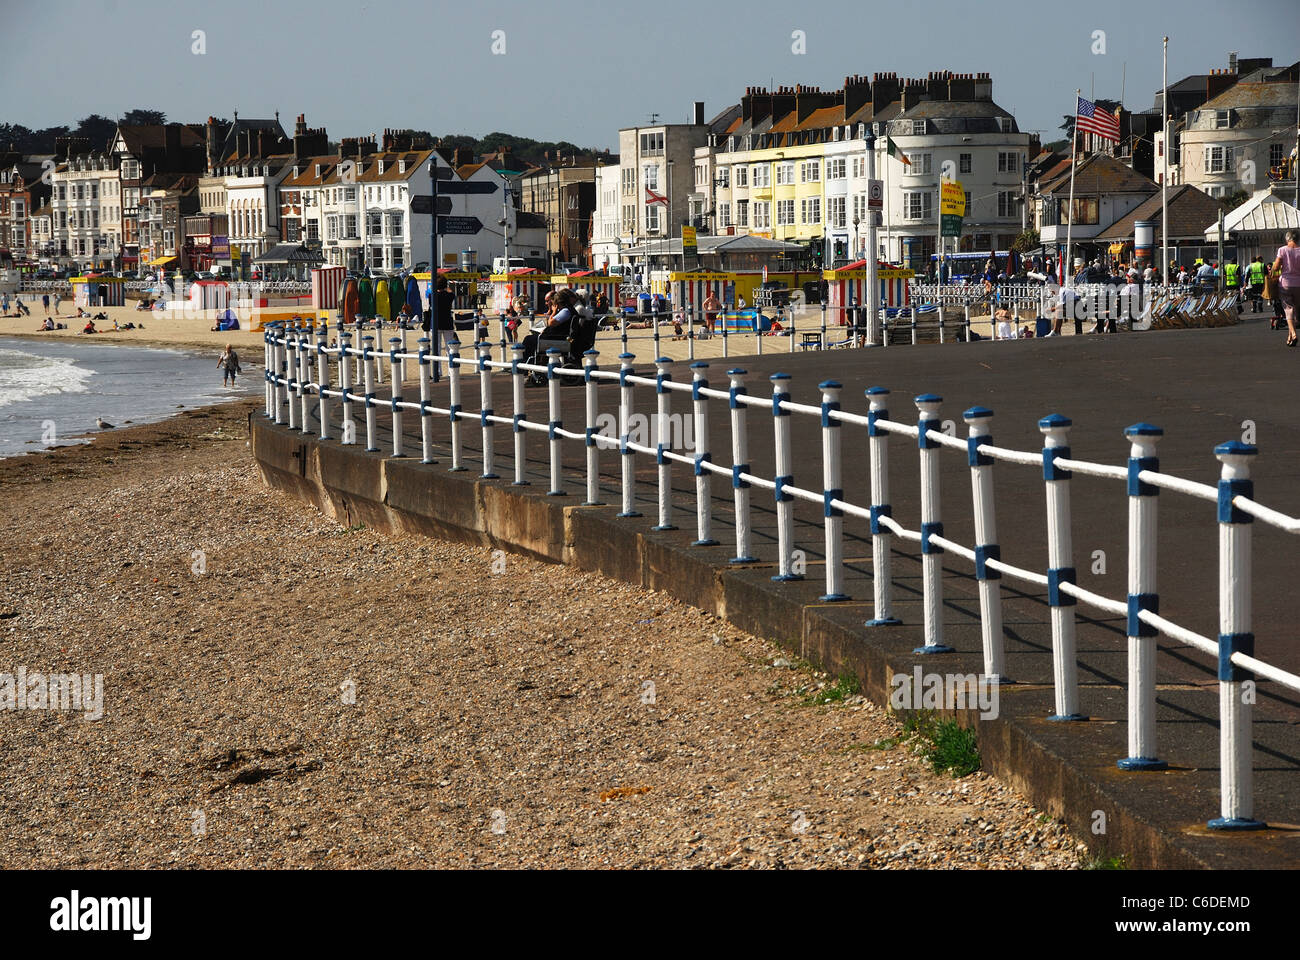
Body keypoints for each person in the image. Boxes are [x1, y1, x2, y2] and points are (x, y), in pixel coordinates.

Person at [1268, 229, 1300, 346]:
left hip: (1286, 283)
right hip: (1299, 284)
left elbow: (1276, 267)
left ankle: (1294, 333)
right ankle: (1290, 337)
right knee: (1295, 309)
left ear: (1288, 239)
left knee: (1288, 309)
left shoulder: (1282, 250)